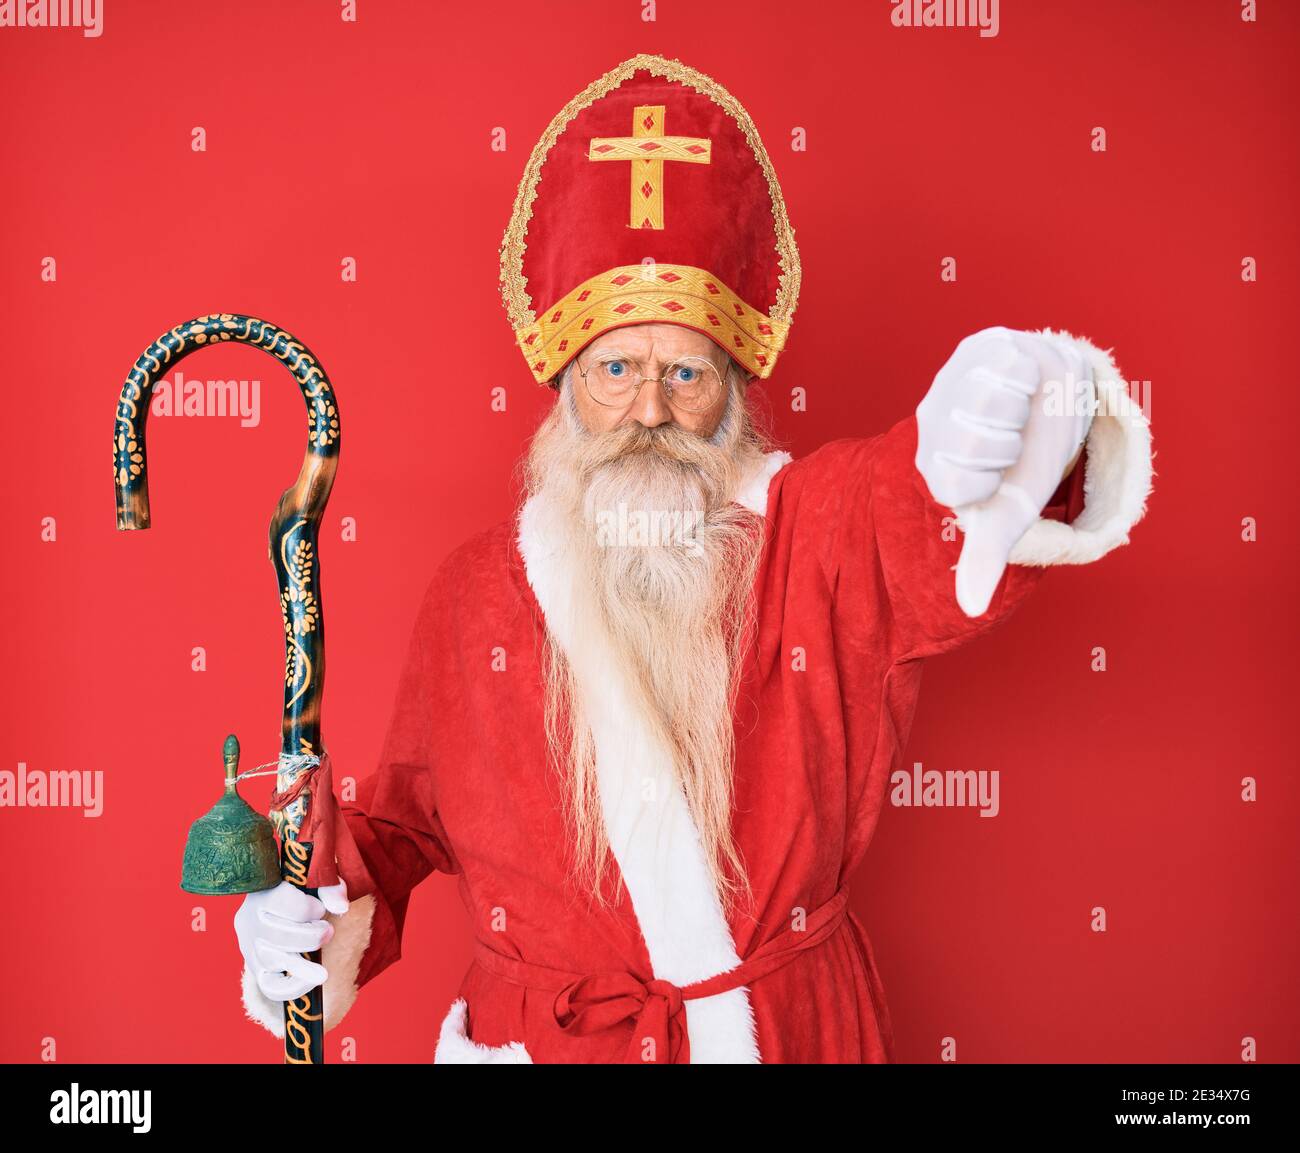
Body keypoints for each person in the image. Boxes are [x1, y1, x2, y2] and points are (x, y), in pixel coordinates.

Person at [233, 53, 1152, 1063]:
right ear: (563, 389)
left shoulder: (819, 533)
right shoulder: (474, 592)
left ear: (734, 392)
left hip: (779, 1034)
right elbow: (404, 825)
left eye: (686, 374)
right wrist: (313, 907)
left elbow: (927, 506)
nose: (651, 411)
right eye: (617, 370)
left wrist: (1021, 412)